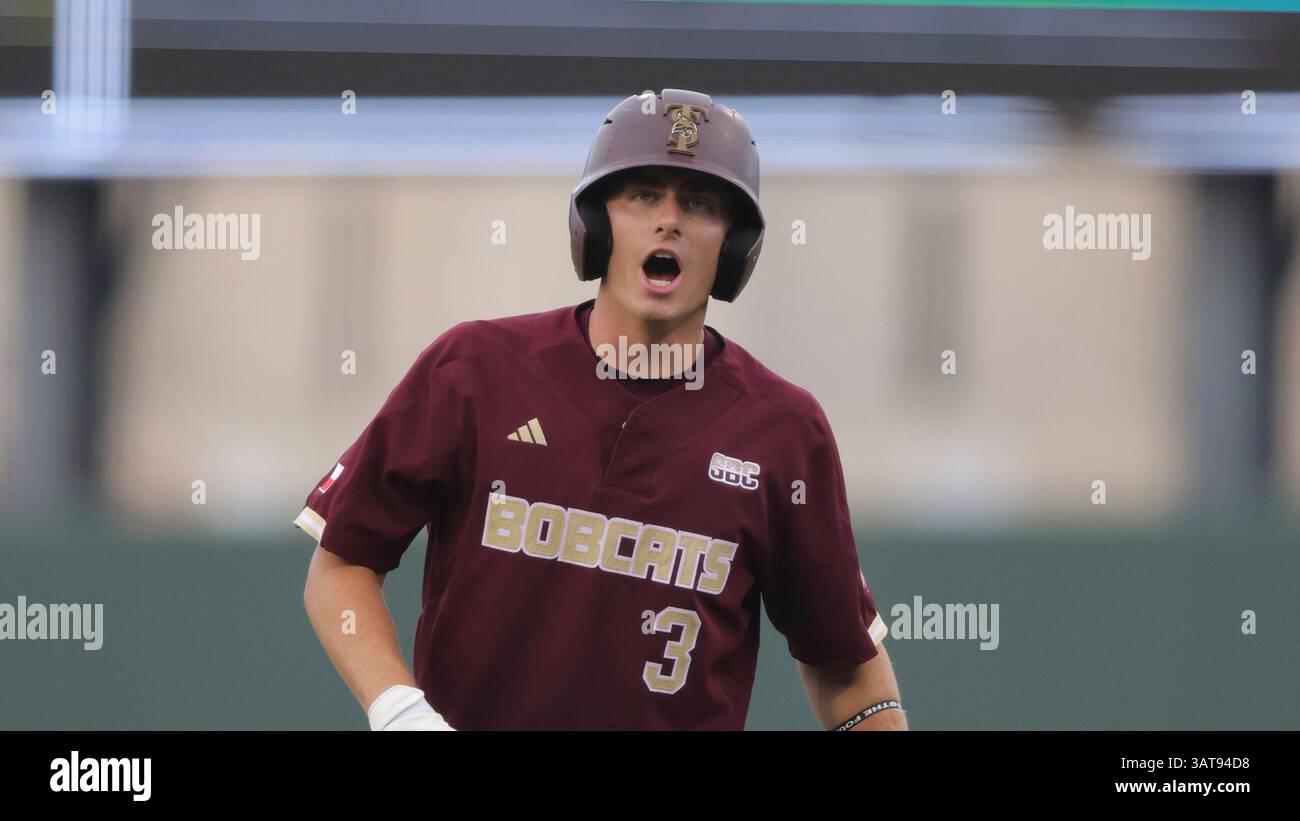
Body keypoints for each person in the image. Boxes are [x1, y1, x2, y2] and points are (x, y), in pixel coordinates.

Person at [295, 88, 906, 731]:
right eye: (642, 195)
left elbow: (844, 665)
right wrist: (399, 710)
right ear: (596, 222)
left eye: (699, 203)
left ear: (733, 245)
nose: (668, 220)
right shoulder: (473, 370)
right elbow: (342, 563)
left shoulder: (784, 430)